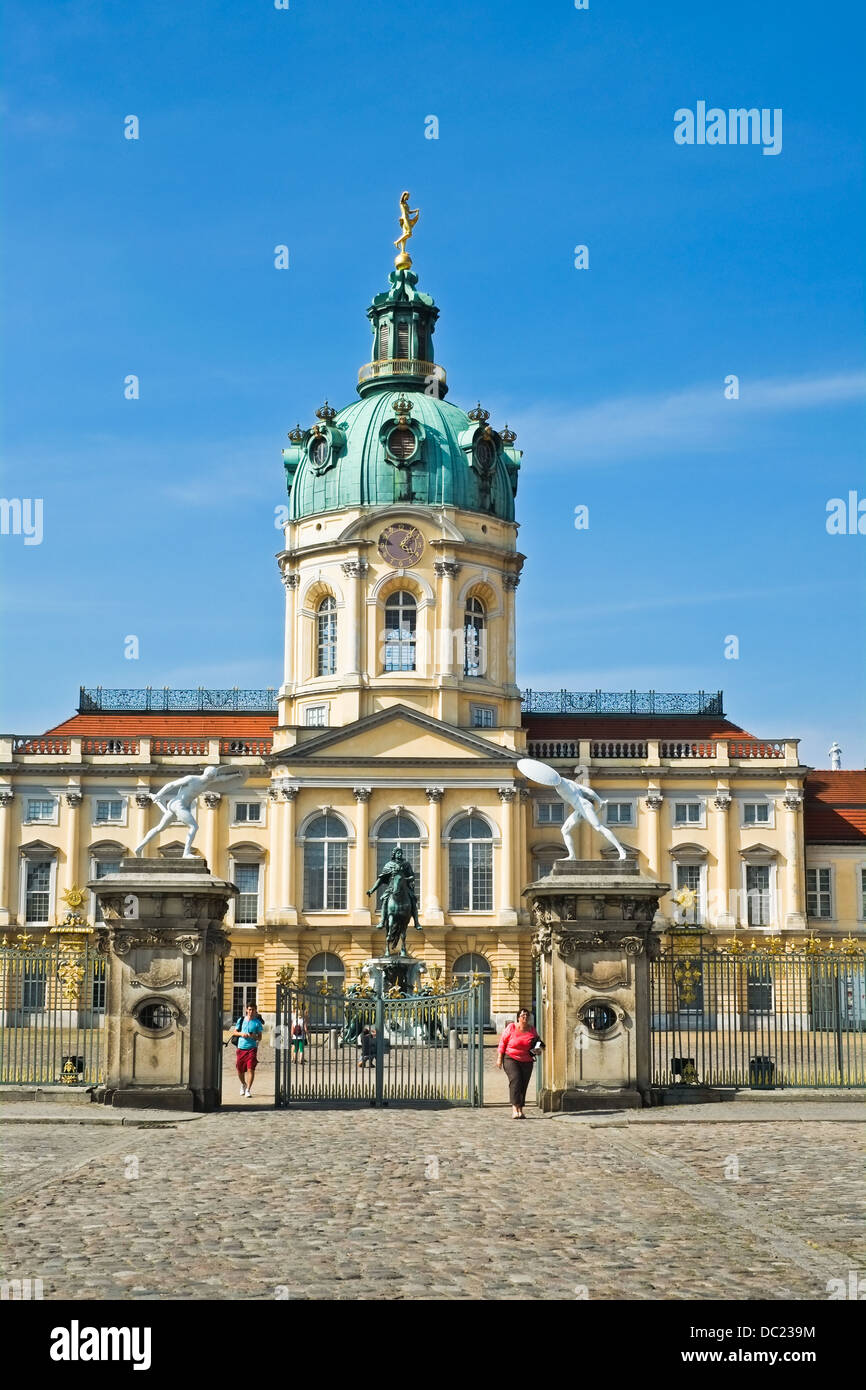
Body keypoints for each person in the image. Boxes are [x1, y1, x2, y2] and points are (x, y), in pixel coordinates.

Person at [496, 1007, 543, 1119]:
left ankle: (520, 1109)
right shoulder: (511, 1027)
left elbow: (538, 1043)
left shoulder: (532, 1030)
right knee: (516, 1080)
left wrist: (538, 1050)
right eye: (523, 1015)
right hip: (510, 1058)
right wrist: (499, 1058)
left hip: (527, 1061)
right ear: (518, 1018)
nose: (525, 1017)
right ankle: (514, 1108)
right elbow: (503, 1042)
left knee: (523, 1085)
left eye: (527, 1015)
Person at [230, 1002, 264, 1097]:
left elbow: (260, 1037)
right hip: (241, 1048)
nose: (251, 1011)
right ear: (246, 1010)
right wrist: (242, 1034)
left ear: (255, 1010)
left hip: (252, 1049)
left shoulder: (257, 1023)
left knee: (251, 1069)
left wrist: (254, 1036)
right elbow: (235, 1032)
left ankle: (248, 1089)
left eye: (253, 1010)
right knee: (239, 1070)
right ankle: (243, 1084)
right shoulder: (241, 1020)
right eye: (249, 1009)